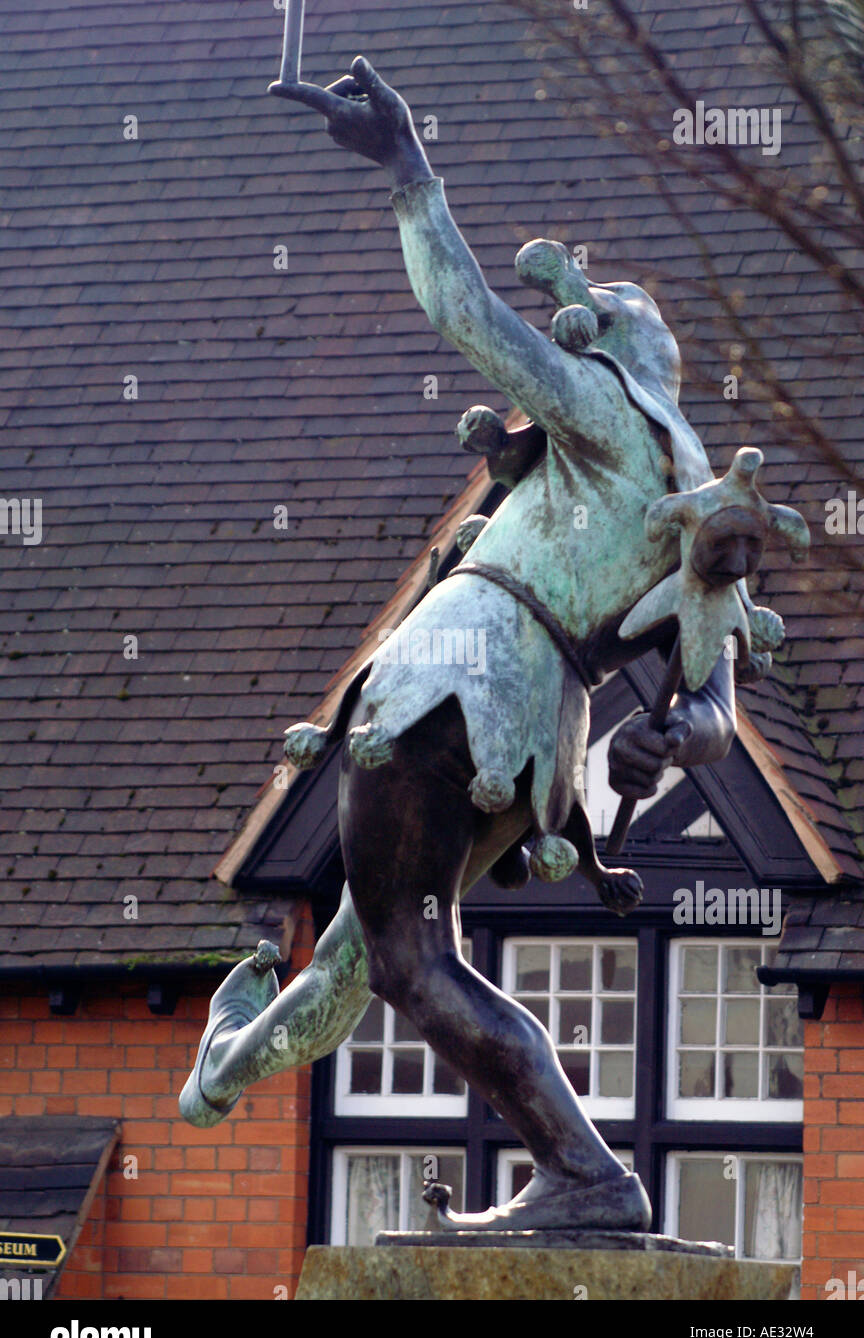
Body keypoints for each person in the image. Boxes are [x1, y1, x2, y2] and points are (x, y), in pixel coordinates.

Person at [180, 58, 744, 1233]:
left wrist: (408, 169)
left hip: (451, 681)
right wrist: (665, 738)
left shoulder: (609, 415)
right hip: (532, 741)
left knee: (405, 964)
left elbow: (465, 315)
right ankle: (225, 1070)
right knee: (369, 950)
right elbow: (714, 712)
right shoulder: (698, 502)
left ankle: (586, 1171)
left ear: (628, 356)